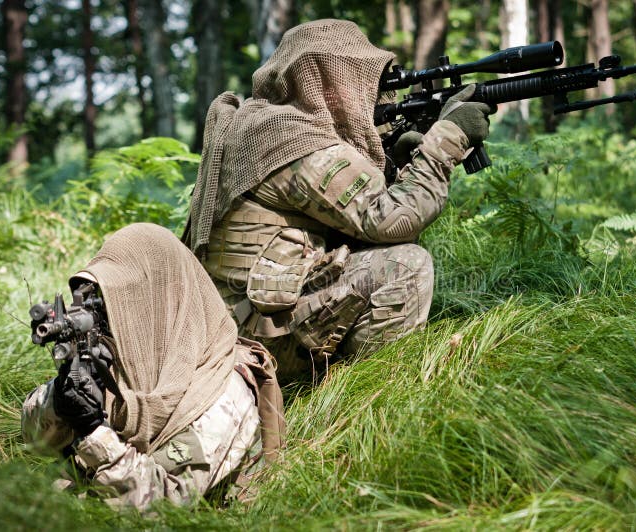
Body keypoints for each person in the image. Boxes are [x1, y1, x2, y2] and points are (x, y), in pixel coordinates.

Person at [184, 19, 493, 381]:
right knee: (407, 265)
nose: (366, 93)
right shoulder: (289, 138)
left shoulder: (260, 126)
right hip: (254, 339)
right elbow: (392, 220)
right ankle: (377, 391)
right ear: (325, 78)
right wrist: (448, 137)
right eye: (355, 79)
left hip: (236, 319)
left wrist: (394, 163)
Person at [21, 223, 284, 510]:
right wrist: (61, 397)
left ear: (158, 304)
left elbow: (161, 508)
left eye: (119, 307)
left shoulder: (224, 398)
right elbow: (34, 440)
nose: (111, 325)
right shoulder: (141, 360)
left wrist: (94, 431)